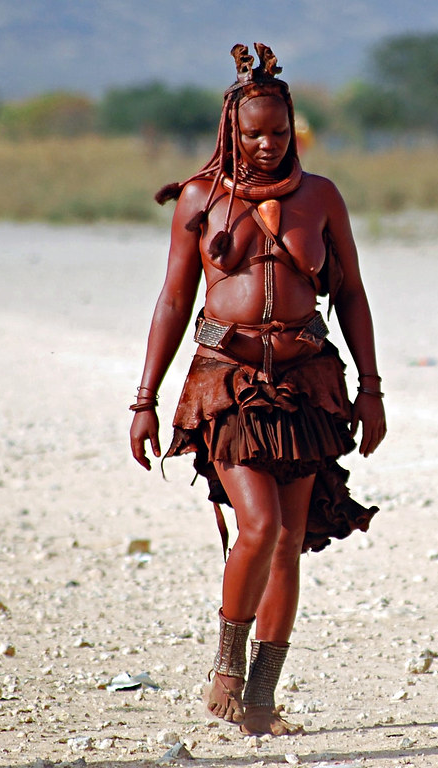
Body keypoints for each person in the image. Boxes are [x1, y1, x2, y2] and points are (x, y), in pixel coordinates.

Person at [129, 43, 386, 737]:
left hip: (306, 382)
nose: (267, 145)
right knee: (260, 524)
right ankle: (225, 665)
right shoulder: (200, 198)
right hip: (229, 383)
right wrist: (145, 399)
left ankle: (262, 701)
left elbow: (352, 296)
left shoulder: (320, 197)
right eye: (252, 134)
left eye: (278, 132)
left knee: (289, 538)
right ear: (229, 134)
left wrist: (371, 388)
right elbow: (173, 300)